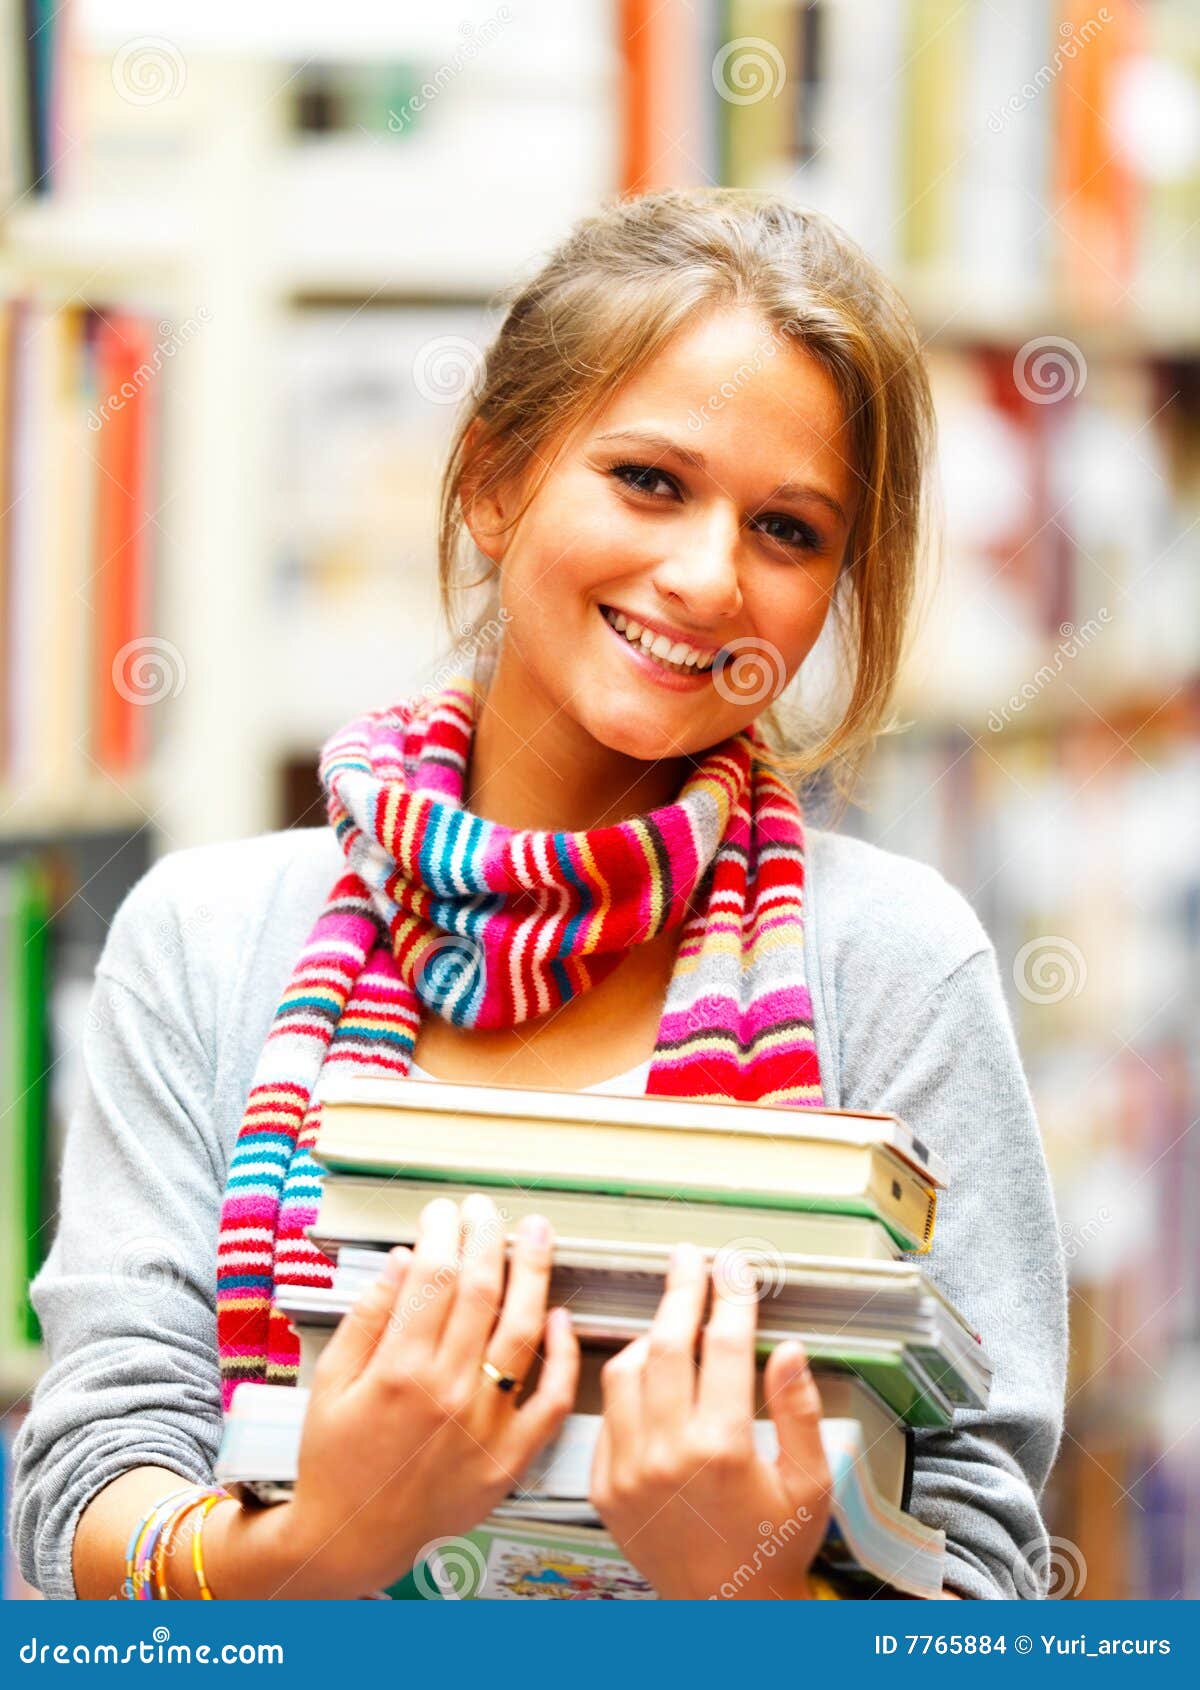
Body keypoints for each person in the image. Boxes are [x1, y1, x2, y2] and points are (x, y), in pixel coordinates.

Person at [10, 187, 1066, 1602]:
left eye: (788, 529)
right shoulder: (201, 941)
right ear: (493, 481)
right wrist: (327, 1540)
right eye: (650, 481)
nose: (707, 577)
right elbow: (81, 1499)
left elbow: (991, 1577)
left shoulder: (897, 965)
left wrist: (748, 1587)